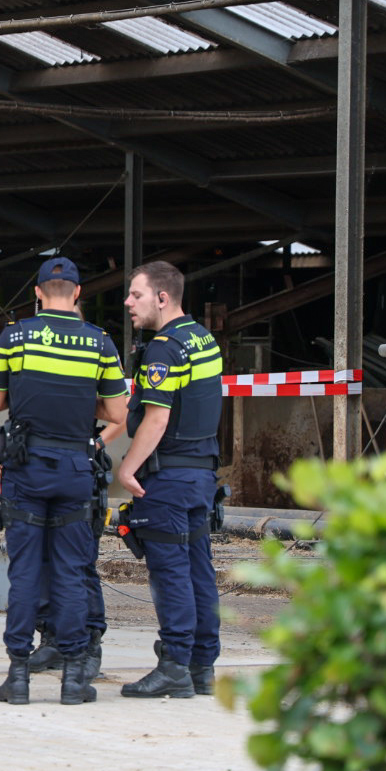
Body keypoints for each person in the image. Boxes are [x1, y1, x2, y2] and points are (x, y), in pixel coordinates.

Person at [0, 257, 129, 706]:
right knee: (71, 571)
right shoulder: (99, 342)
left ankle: (18, 675)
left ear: (38, 293)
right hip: (75, 469)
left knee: (26, 572)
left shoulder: (15, 336)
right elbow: (118, 412)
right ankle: (73, 678)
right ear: (78, 293)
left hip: (27, 468)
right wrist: (81, 402)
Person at [113, 260, 224, 700]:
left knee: (171, 572)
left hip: (169, 479)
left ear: (162, 297)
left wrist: (127, 467)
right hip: (200, 475)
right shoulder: (202, 338)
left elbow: (156, 419)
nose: (128, 302)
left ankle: (175, 664)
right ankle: (202, 666)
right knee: (199, 569)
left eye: (136, 294)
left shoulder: (164, 349)